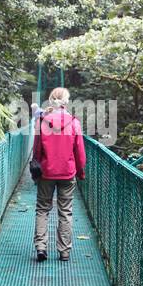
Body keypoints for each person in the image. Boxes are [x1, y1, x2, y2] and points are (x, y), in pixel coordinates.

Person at [32, 87, 85, 261]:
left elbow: (37, 149)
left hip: (47, 172)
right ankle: (64, 251)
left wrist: (36, 169)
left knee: (42, 209)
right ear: (66, 102)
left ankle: (41, 248)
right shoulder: (74, 122)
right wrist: (81, 171)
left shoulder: (42, 121)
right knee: (65, 212)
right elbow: (79, 151)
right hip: (67, 173)